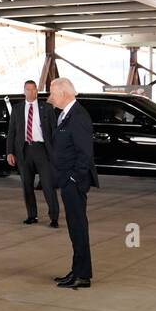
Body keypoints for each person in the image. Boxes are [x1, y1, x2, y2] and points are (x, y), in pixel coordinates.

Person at [48, 78, 98, 289]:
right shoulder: (65, 114)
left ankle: (83, 276)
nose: (50, 97)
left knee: (78, 227)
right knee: (73, 227)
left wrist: (73, 178)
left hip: (73, 182)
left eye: (52, 92)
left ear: (63, 93)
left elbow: (85, 153)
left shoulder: (77, 116)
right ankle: (76, 270)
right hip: (66, 179)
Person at [6, 79, 59, 227]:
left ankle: (53, 217)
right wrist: (10, 152)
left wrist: (56, 152)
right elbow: (12, 132)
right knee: (27, 186)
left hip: (42, 150)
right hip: (23, 151)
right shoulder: (17, 109)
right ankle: (32, 215)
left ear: (37, 90)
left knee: (48, 185)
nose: (30, 92)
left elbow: (54, 131)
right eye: (27, 89)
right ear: (24, 91)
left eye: (33, 89)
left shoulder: (46, 108)